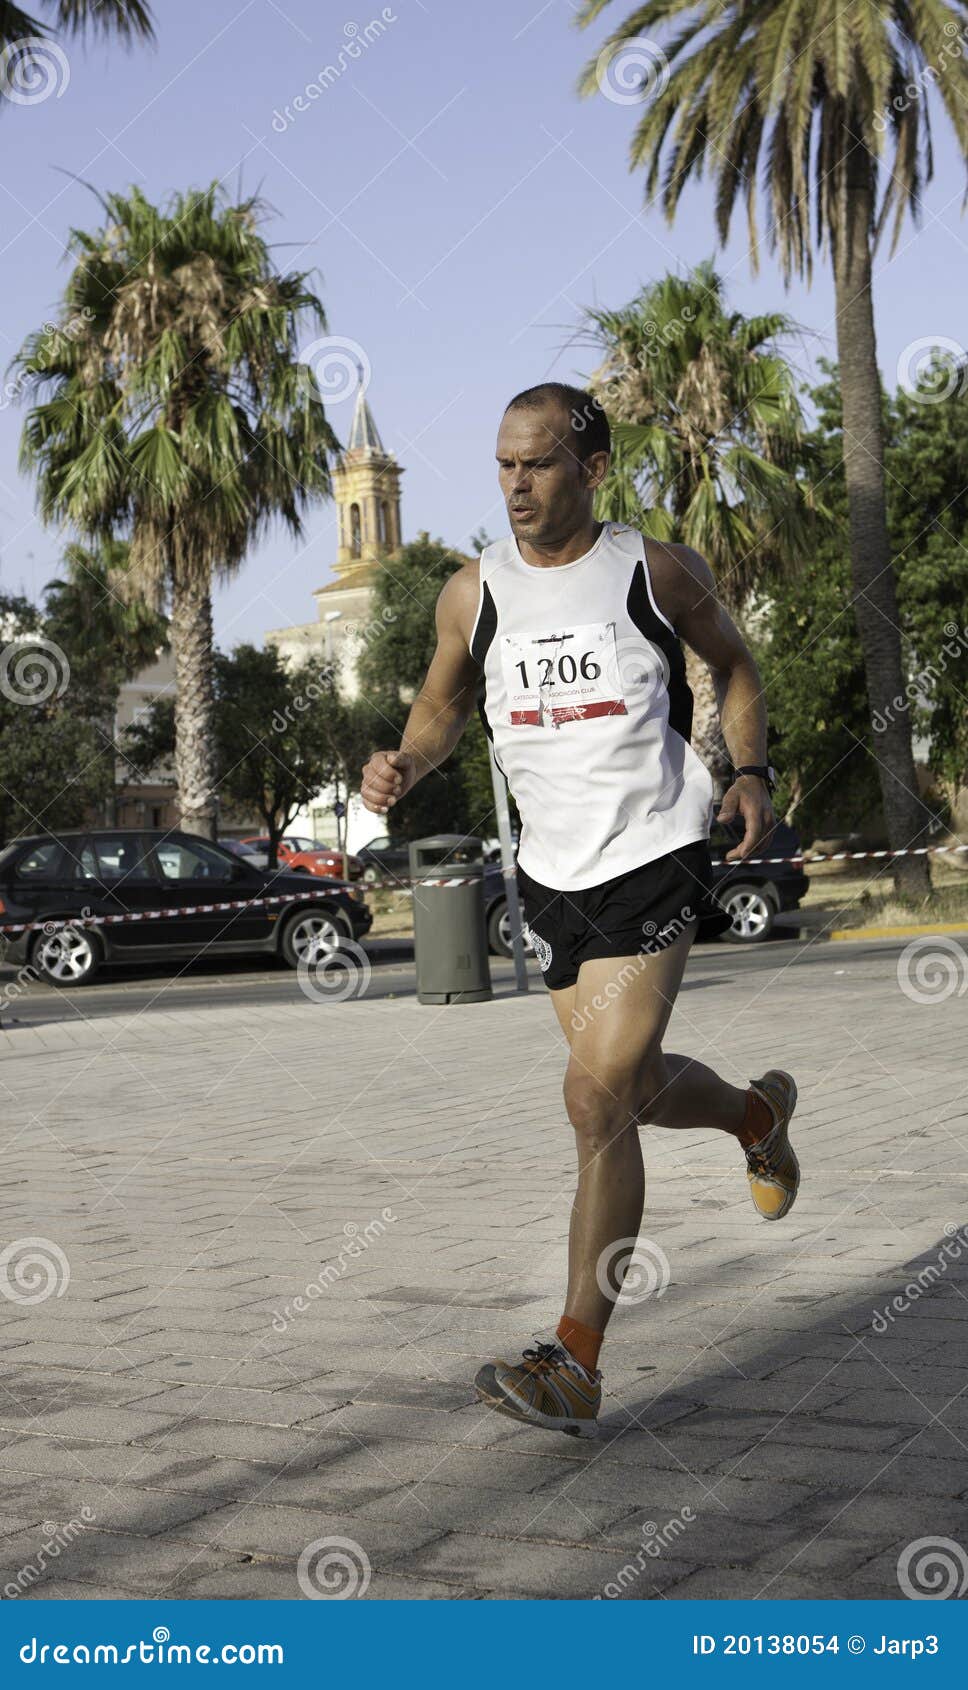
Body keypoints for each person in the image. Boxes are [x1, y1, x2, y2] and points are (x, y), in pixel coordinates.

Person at [361, 382, 799, 1438]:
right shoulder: (472, 594)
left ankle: (574, 1357)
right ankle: (754, 1115)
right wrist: (405, 763)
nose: (515, 483)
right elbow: (441, 706)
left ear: (591, 469)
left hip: (655, 851)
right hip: (550, 876)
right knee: (632, 1091)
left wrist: (748, 771)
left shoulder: (652, 570)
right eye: (504, 465)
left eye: (538, 463)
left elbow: (732, 664)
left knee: (592, 1096)